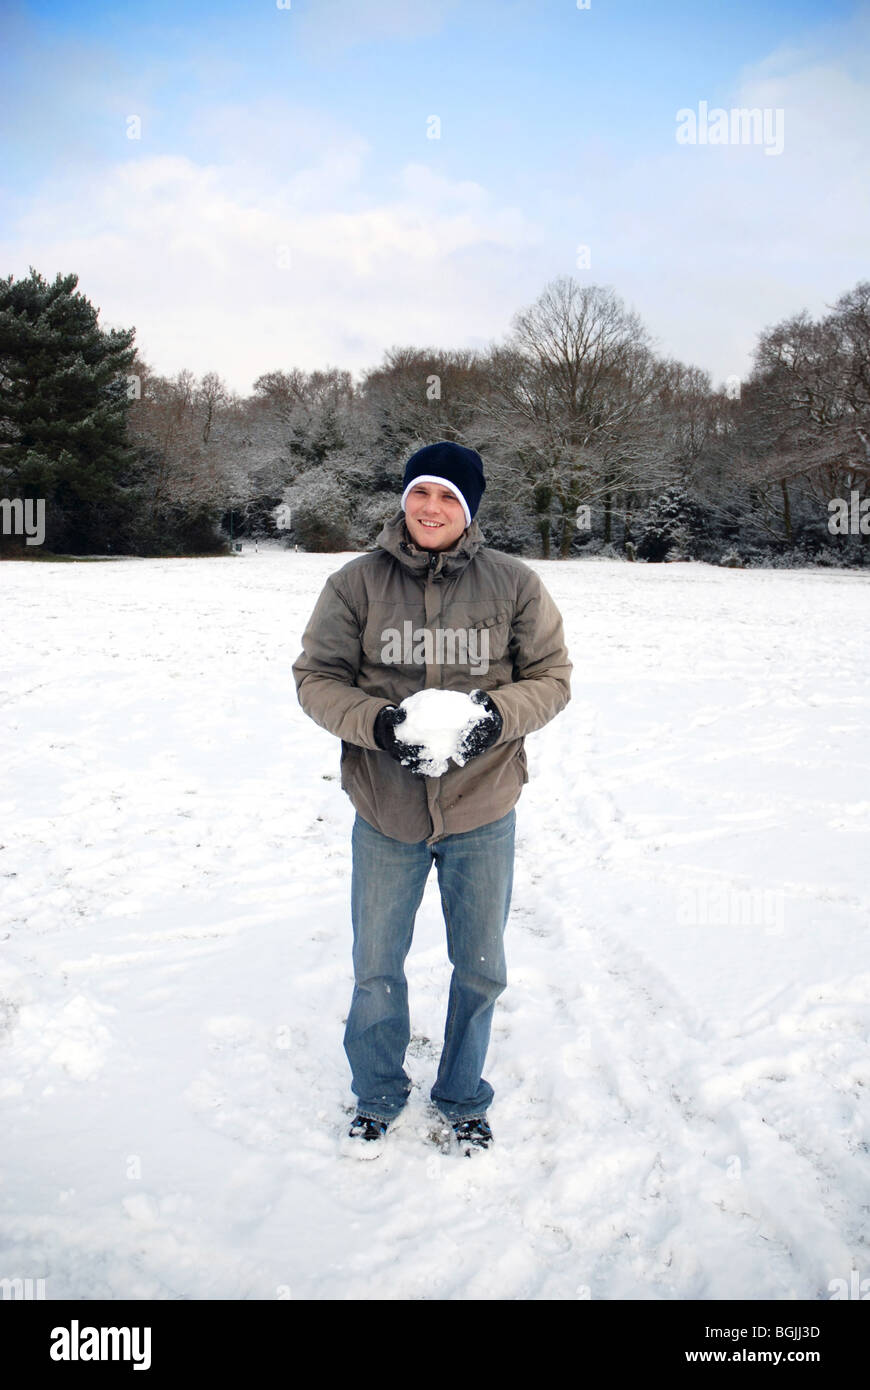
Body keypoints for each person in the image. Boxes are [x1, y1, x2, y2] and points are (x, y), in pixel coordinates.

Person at [292, 441, 572, 1154]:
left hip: (483, 807)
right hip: (387, 808)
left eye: (449, 496)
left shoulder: (514, 584)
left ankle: (461, 1094)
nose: (432, 508)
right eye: (421, 492)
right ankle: (379, 1092)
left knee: (480, 966)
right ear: (404, 499)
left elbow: (552, 678)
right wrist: (377, 726)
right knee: (377, 963)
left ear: (470, 508)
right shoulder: (355, 584)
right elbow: (317, 679)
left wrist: (493, 719)